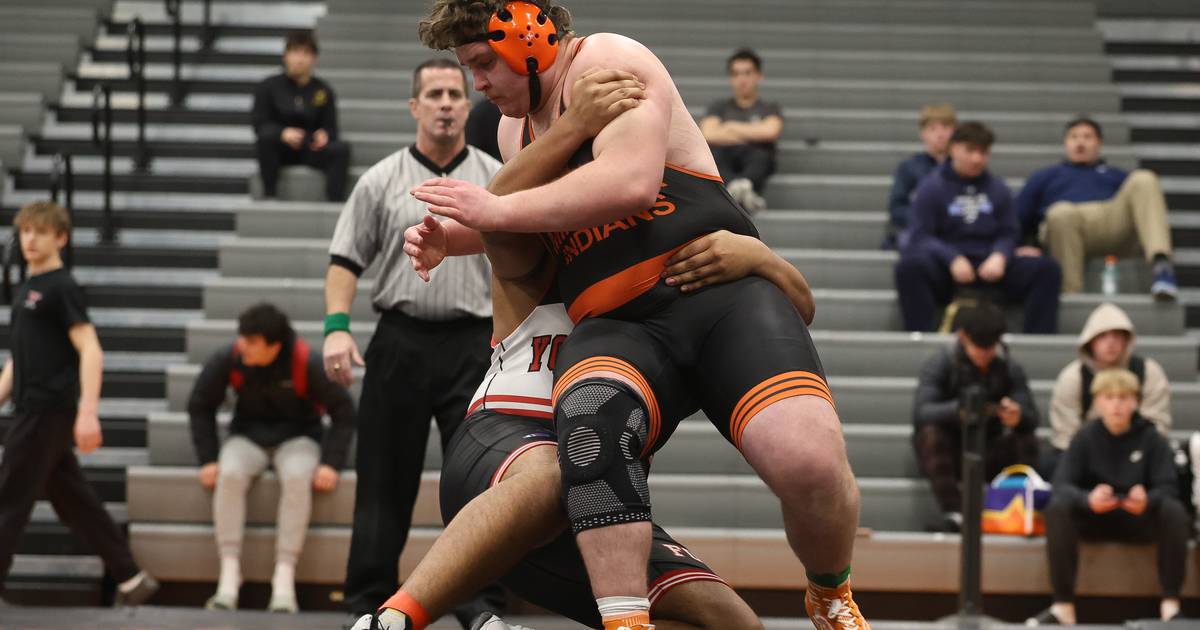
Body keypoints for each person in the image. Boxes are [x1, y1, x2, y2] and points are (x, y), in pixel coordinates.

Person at [412, 3, 868, 629]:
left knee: (807, 461)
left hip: (716, 299)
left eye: (485, 64)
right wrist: (458, 238)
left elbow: (628, 182)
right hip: (620, 325)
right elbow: (531, 223)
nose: (478, 86)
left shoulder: (605, 61)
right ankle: (627, 621)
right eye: (469, 69)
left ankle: (830, 591)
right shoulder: (512, 132)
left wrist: (485, 214)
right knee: (590, 425)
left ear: (530, 38)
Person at [322, 58, 503, 626]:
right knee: (382, 477)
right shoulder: (380, 179)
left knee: (480, 479)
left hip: (475, 344)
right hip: (399, 341)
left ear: (468, 105)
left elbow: (523, 262)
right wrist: (334, 328)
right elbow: (345, 259)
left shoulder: (497, 177)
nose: (446, 102)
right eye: (434, 94)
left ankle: (480, 605)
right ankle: (368, 602)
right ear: (415, 106)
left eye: (455, 92)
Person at [0, 201, 158, 607]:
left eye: (40, 231)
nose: (30, 239)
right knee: (74, 499)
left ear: (61, 238)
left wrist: (87, 411)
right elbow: (19, 357)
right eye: (25, 232)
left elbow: (90, 349)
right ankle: (130, 576)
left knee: (8, 499)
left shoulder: (62, 287)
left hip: (47, 410)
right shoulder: (26, 289)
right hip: (31, 407)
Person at [187, 303, 354, 612]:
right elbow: (199, 404)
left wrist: (331, 463)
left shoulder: (307, 361)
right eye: (242, 339)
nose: (242, 346)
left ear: (273, 346)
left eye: (251, 342)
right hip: (247, 438)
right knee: (230, 473)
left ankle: (284, 576)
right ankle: (229, 573)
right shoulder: (231, 357)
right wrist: (208, 458)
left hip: (298, 438)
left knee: (296, 476)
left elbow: (344, 411)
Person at [1028, 369, 1188, 626]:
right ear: (1097, 401)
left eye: (1124, 397)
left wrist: (1148, 499)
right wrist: (1086, 499)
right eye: (1109, 397)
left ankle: (1170, 604)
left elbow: (1169, 487)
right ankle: (1063, 606)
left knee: (1174, 511)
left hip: (1137, 519)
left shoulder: (1151, 438)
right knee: (1057, 508)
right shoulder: (1085, 437)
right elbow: (1061, 484)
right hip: (1094, 518)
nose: (1116, 405)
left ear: (1136, 401)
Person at [894, 121, 1062, 334]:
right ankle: (920, 337)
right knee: (909, 268)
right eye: (970, 151)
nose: (977, 159)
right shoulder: (931, 187)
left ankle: (1038, 341)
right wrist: (951, 258)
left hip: (991, 267)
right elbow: (921, 236)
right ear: (953, 148)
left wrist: (1000, 255)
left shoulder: (998, 188)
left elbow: (1010, 231)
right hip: (947, 269)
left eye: (983, 152)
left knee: (1046, 270)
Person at [1015, 116, 1177, 299]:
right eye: (1074, 137)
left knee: (1144, 178)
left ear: (1099, 143)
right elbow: (1017, 217)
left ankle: (1161, 265)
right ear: (1065, 143)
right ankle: (1070, 295)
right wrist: (1019, 247)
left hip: (1109, 223)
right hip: (1063, 226)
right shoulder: (1045, 177)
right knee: (1061, 213)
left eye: (1087, 136)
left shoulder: (1116, 175)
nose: (1080, 142)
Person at [911, 303, 1040, 532]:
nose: (984, 355)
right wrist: (957, 411)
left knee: (1025, 437)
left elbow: (1031, 416)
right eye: (977, 347)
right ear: (962, 336)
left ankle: (1020, 509)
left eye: (989, 348)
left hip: (991, 448)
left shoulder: (1010, 367)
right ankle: (955, 513)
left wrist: (1017, 416)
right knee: (930, 435)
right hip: (951, 451)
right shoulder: (941, 362)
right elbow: (922, 413)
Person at [1046, 302, 1171, 475]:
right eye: (1103, 336)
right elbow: (1065, 436)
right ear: (1090, 341)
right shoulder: (1072, 377)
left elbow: (1158, 426)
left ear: (1127, 339)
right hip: (1086, 456)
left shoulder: (1149, 371)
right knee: (1055, 467)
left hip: (1138, 456)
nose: (1111, 342)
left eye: (1117, 335)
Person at [252, 31, 351, 202]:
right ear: (285, 56)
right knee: (265, 139)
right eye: (295, 52)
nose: (300, 58)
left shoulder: (323, 90)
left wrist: (325, 135)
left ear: (314, 58)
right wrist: (282, 133)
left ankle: (334, 202)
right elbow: (259, 124)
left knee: (341, 149)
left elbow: (331, 128)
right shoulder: (268, 86)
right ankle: (269, 195)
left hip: (310, 148)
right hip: (280, 149)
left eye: (306, 53)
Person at [699, 48, 783, 213]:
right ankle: (740, 191)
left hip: (756, 157)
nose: (742, 79)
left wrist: (730, 127)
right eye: (736, 74)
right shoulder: (719, 106)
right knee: (714, 155)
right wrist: (752, 133)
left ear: (759, 76)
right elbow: (707, 134)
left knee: (762, 154)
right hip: (725, 155)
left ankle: (737, 190)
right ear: (731, 78)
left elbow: (770, 132)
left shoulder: (770, 107)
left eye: (747, 73)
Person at [883, 103, 956, 250]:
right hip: (919, 230)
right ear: (923, 133)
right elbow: (897, 207)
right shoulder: (909, 167)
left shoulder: (964, 168)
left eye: (946, 128)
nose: (940, 134)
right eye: (933, 129)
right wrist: (925, 221)